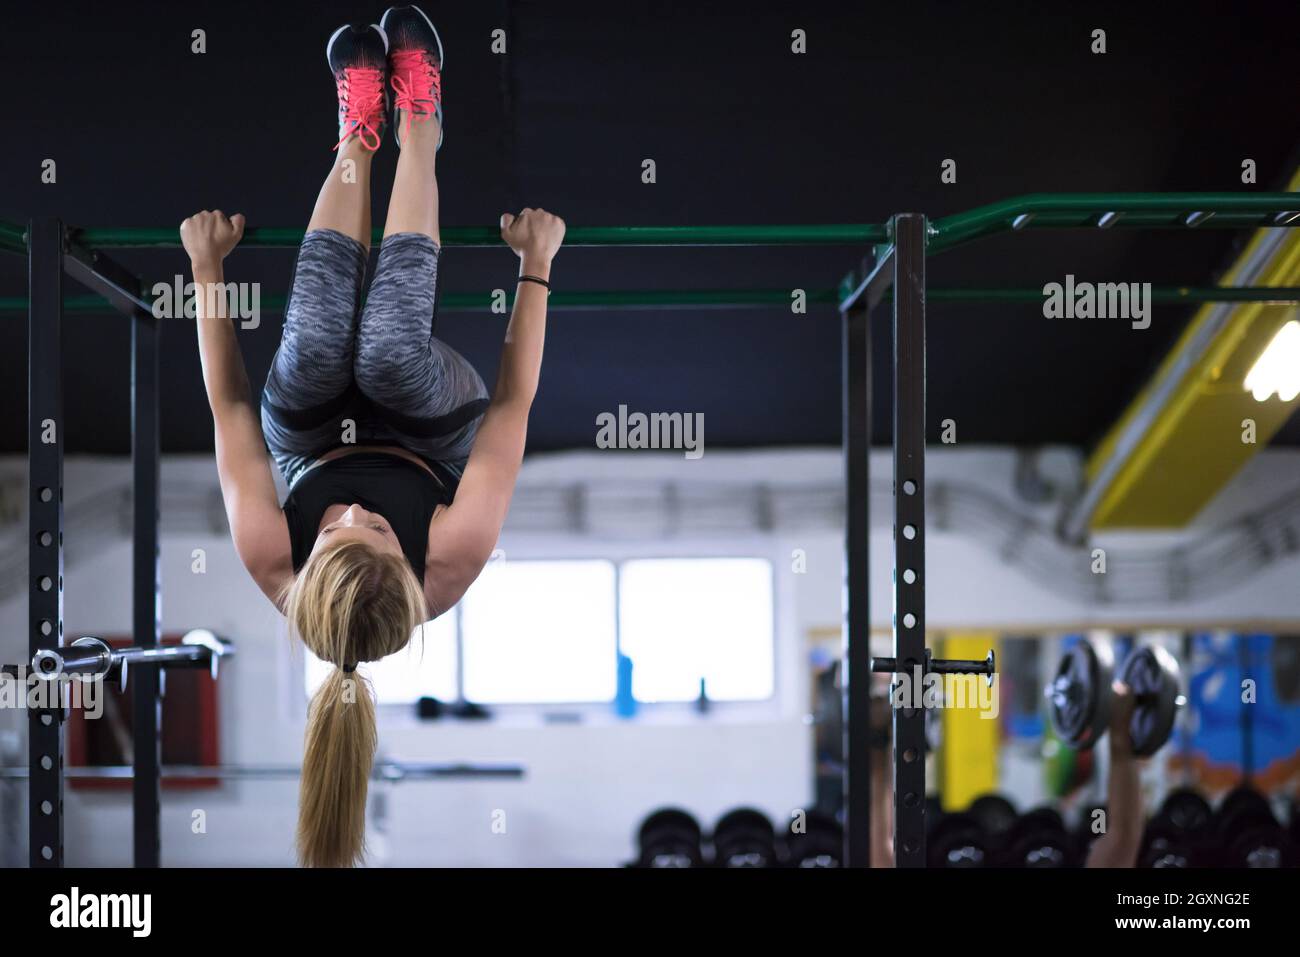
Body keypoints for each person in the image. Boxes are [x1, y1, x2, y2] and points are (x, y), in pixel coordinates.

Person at [179, 5, 565, 867]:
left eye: (332, 525)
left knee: (316, 347)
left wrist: (207, 273)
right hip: (432, 434)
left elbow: (232, 410)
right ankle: (419, 127)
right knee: (387, 352)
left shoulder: (272, 559)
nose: (350, 506)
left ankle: (358, 133)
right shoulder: (452, 559)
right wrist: (535, 265)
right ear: (411, 564)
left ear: (304, 564)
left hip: (306, 436)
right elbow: (510, 410)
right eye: (379, 524)